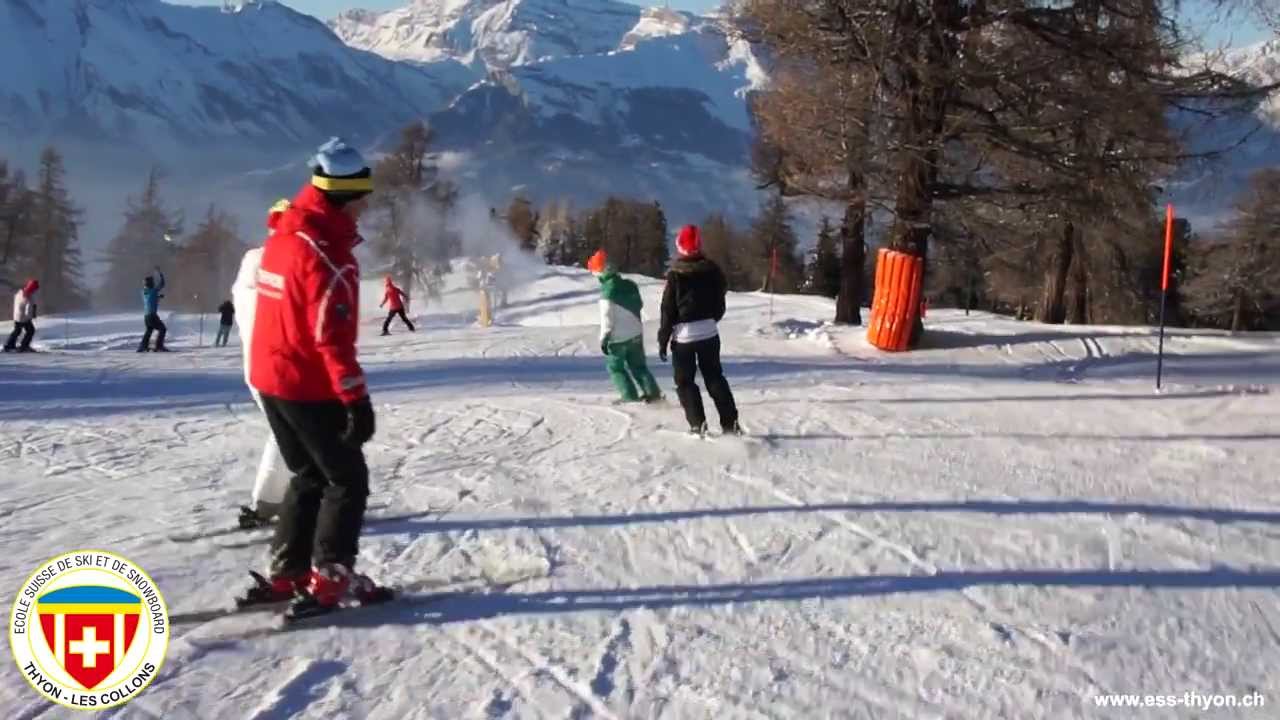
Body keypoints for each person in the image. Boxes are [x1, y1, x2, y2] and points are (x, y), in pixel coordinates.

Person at [240, 138, 384, 617]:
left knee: (307, 473)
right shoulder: (329, 256)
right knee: (347, 478)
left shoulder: (283, 235)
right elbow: (331, 338)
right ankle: (330, 576)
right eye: (363, 197)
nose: (366, 206)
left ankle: (290, 573)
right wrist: (355, 399)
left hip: (270, 376)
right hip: (306, 382)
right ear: (347, 195)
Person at [231, 199, 292, 530]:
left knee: (285, 432)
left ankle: (270, 500)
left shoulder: (251, 262)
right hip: (282, 367)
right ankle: (281, 502)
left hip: (257, 369)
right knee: (304, 432)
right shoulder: (277, 263)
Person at [657, 225, 741, 437]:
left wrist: (663, 339)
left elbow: (668, 310)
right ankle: (730, 424)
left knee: (685, 381)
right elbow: (720, 302)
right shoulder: (713, 270)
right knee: (715, 377)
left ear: (680, 248)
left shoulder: (676, 275)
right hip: (709, 333)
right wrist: (711, 320)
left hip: (684, 337)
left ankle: (698, 423)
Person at [587, 249, 661, 404]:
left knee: (616, 368)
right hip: (635, 333)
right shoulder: (630, 285)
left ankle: (629, 396)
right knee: (639, 366)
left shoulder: (607, 292)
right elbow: (639, 305)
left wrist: (604, 339)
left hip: (617, 339)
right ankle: (653, 393)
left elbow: (607, 319)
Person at [138, 267, 168, 352]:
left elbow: (150, 299)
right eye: (153, 282)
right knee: (163, 329)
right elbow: (162, 284)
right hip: (152, 315)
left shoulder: (144, 292)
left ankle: (143, 346)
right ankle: (158, 346)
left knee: (149, 330)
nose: (154, 284)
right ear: (151, 284)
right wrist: (160, 274)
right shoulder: (153, 291)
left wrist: (158, 297)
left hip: (146, 316)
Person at [4, 279, 38, 352]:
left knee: (17, 330)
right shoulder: (28, 296)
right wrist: (31, 316)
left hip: (17, 315)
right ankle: (24, 346)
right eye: (35, 289)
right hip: (23, 317)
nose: (35, 291)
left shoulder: (20, 292)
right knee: (30, 330)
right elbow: (28, 309)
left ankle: (10, 345)